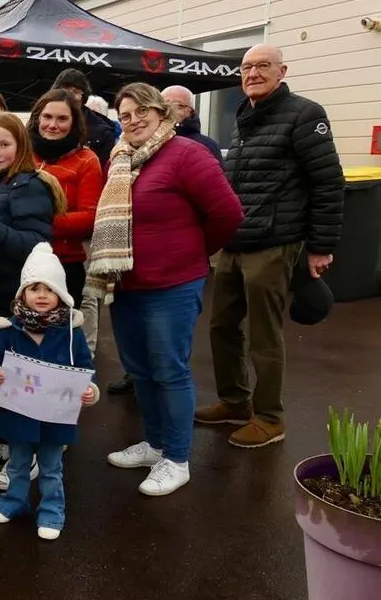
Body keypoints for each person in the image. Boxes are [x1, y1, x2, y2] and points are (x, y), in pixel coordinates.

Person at [87, 83, 243, 496]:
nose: (133, 120)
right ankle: (155, 443)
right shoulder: (121, 159)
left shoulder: (187, 155)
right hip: (127, 281)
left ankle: (177, 458)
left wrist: (193, 253)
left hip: (172, 284)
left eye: (142, 112)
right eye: (125, 115)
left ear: (162, 114)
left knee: (170, 370)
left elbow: (228, 213)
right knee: (139, 369)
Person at [200, 45, 344, 448]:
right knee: (221, 326)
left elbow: (328, 183)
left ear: (283, 71)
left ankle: (268, 417)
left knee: (264, 336)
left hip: (274, 244)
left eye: (263, 66)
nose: (253, 73)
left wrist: (320, 246)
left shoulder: (304, 114)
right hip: (235, 242)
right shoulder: (244, 117)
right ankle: (234, 402)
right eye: (247, 67)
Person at [0, 112, 62, 483]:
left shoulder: (29, 186)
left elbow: (36, 244)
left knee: (16, 381)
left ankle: (26, 455)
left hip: (7, 300)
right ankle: (2, 443)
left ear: (20, 145)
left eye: (4, 144)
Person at [0, 243, 99, 540]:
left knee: (50, 467)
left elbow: (85, 368)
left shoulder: (71, 334)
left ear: (60, 294)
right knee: (18, 464)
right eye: (34, 288)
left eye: (49, 289)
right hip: (18, 414)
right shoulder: (10, 330)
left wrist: (89, 390)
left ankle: (51, 511)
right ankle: (13, 502)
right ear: (22, 294)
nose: (42, 295)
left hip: (54, 419)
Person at [26, 89, 101, 307]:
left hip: (64, 265)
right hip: (21, 261)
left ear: (74, 122)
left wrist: (39, 222)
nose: (53, 124)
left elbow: (90, 218)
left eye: (62, 118)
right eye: (47, 117)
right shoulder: (22, 153)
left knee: (60, 338)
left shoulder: (87, 160)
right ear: (37, 117)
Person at [51, 69, 117, 169]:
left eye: (75, 91)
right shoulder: (40, 122)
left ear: (83, 97)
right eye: (64, 90)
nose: (69, 96)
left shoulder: (103, 133)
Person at [161, 86, 222, 165]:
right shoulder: (146, 140)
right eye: (165, 105)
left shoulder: (206, 145)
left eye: (179, 105)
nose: (170, 109)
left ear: (191, 111)